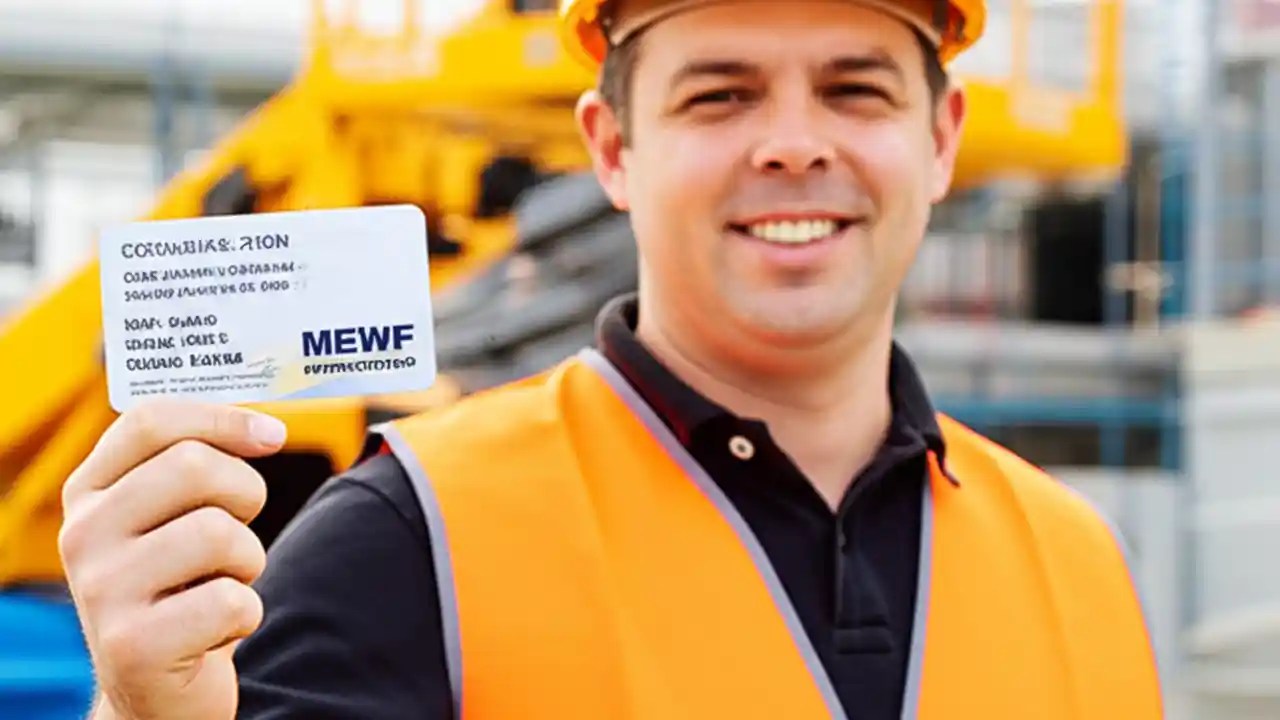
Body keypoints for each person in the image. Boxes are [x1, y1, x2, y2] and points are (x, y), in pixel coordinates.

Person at [58, 0, 1165, 718]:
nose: (790, 140)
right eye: (719, 93)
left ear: (937, 137)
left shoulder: (1077, 566)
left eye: (854, 88)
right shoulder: (411, 539)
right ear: (610, 149)